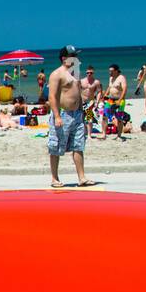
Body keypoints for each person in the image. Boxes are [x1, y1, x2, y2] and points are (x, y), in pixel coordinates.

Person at [47, 45, 92, 187]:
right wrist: (57, 116)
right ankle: (54, 178)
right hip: (63, 114)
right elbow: (52, 97)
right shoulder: (57, 74)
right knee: (56, 147)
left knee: (78, 146)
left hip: (77, 114)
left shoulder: (75, 72)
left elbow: (77, 92)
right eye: (73, 56)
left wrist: (82, 111)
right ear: (64, 58)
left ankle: (82, 177)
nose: (76, 58)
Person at [104, 64, 128, 139]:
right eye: (109, 71)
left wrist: (120, 100)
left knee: (119, 117)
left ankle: (119, 135)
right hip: (110, 99)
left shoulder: (121, 78)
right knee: (104, 114)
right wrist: (106, 94)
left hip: (119, 100)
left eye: (111, 71)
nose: (110, 72)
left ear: (116, 71)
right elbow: (110, 87)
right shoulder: (111, 78)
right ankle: (104, 134)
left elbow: (124, 89)